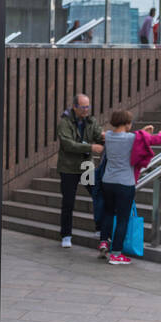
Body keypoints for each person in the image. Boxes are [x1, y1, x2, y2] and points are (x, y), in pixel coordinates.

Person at [97, 110, 161, 266]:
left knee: (108, 212)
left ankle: (103, 242)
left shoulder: (108, 136)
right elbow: (156, 140)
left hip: (108, 181)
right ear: (127, 124)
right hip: (125, 183)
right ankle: (116, 254)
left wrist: (143, 132)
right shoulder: (132, 138)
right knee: (122, 219)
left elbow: (137, 136)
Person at [57, 93, 104, 248]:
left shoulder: (91, 121)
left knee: (97, 195)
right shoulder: (65, 122)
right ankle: (66, 235)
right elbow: (68, 144)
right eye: (83, 107)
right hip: (69, 167)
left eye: (87, 106)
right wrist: (90, 147)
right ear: (74, 107)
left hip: (86, 166)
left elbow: (98, 135)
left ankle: (100, 228)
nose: (86, 110)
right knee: (68, 202)